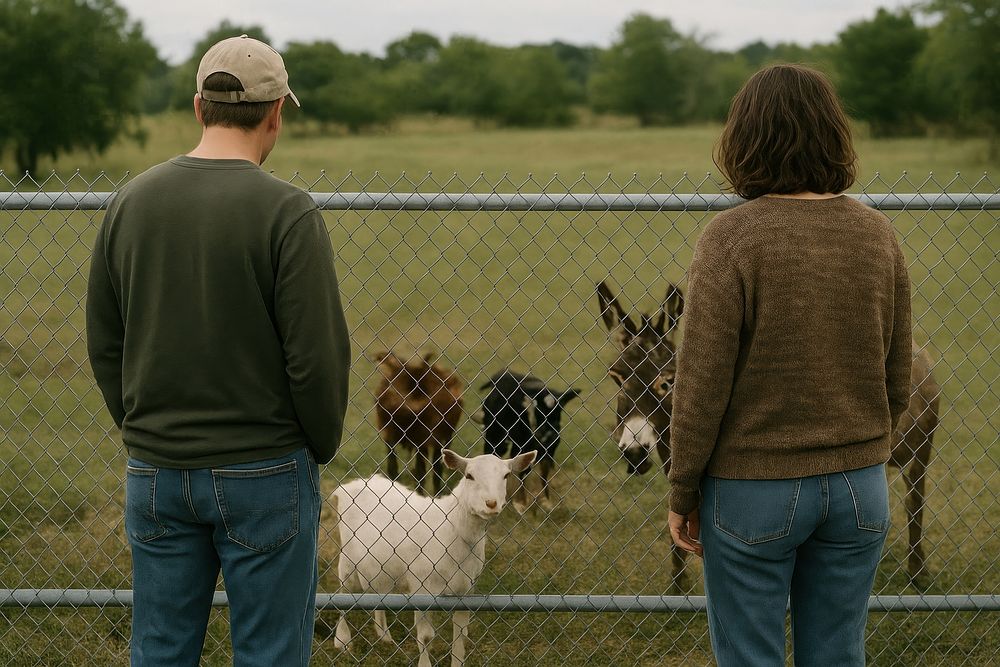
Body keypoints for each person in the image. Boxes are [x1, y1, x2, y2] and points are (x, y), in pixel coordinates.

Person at [86, 35, 351, 666]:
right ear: (276, 113)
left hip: (156, 470)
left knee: (160, 650)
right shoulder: (287, 211)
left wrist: (146, 430)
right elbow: (316, 359)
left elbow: (105, 341)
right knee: (269, 653)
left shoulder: (131, 202)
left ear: (199, 107)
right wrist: (317, 444)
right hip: (264, 468)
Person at [667, 64, 911, 666]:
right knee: (838, 654)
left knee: (750, 655)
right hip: (860, 488)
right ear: (834, 134)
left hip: (752, 491)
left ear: (743, 139)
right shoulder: (876, 232)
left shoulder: (730, 238)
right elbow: (898, 374)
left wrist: (682, 489)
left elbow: (700, 383)